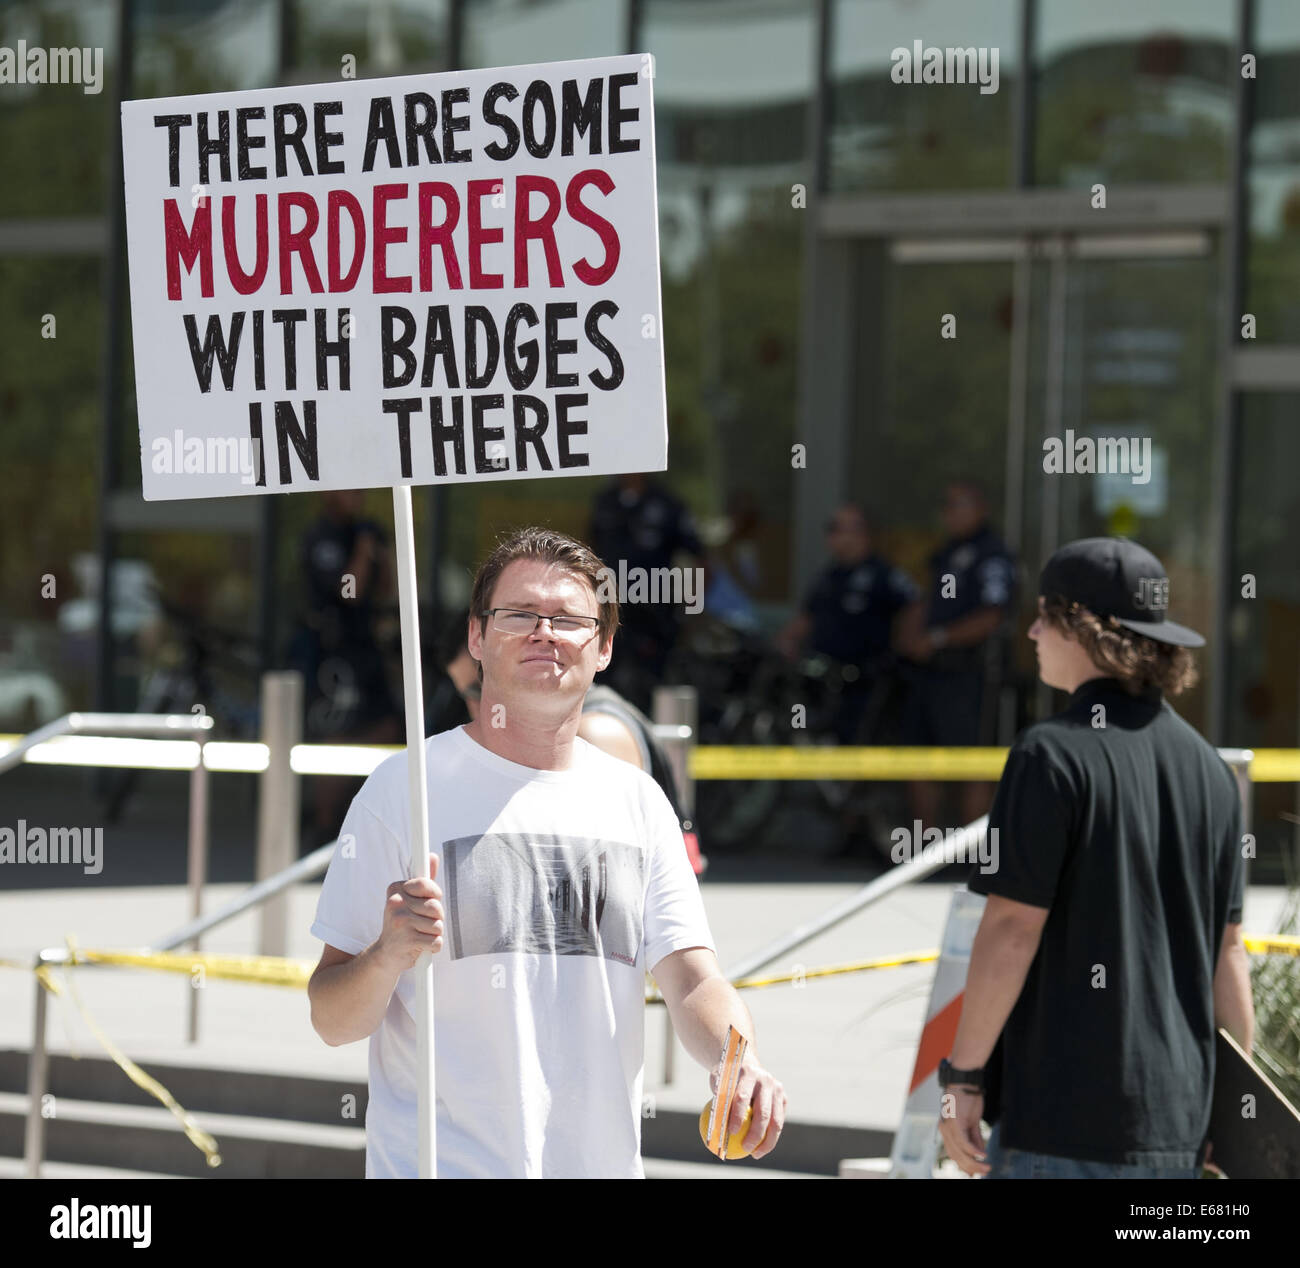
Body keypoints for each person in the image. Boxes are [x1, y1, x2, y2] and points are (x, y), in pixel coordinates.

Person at [307, 526, 784, 1177]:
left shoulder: (638, 804)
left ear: (603, 647)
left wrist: (740, 1061)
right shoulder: (404, 789)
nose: (543, 631)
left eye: (567, 618)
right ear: (477, 637)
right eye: (519, 614)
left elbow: (694, 980)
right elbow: (332, 1018)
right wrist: (386, 956)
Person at [937, 537, 1254, 1180]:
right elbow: (1229, 952)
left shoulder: (1050, 755)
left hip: (1064, 1122)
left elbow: (1011, 928)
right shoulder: (1211, 772)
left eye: (1044, 615)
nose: (1030, 631)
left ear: (1081, 628)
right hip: (1178, 1126)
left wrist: (963, 1079)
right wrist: (1229, 1109)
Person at [438, 607, 706, 874]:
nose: (474, 706)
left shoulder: (595, 733)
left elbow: (600, 879)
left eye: (479, 688)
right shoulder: (556, 726)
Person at [288, 489, 403, 846]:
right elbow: (349, 591)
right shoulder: (321, 537)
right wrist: (363, 551)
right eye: (348, 489)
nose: (357, 496)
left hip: (366, 651)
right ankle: (323, 828)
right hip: (332, 655)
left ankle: (363, 813)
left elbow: (385, 591)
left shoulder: (366, 529)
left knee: (389, 726)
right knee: (335, 736)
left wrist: (381, 555)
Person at [899, 480, 1016, 829]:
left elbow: (993, 616)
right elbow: (923, 600)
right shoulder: (947, 552)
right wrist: (911, 637)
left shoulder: (993, 554)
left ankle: (975, 863)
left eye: (958, 505)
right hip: (928, 674)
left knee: (972, 765)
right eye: (946, 506)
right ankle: (925, 857)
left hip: (971, 675)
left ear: (981, 508)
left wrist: (936, 638)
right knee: (918, 760)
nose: (949, 513)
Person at [777, 502, 918, 744]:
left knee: (854, 746)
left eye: (842, 529)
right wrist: (784, 643)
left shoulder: (882, 573)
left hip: (864, 685)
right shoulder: (828, 576)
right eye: (832, 530)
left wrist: (908, 643)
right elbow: (806, 618)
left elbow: (916, 603)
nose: (835, 537)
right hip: (822, 682)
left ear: (863, 534)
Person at [589, 473, 705, 712]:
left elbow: (700, 559)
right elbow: (588, 551)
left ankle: (650, 737)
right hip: (610, 606)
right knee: (602, 672)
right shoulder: (605, 502)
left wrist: (693, 607)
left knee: (653, 679)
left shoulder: (667, 504)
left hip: (654, 610)